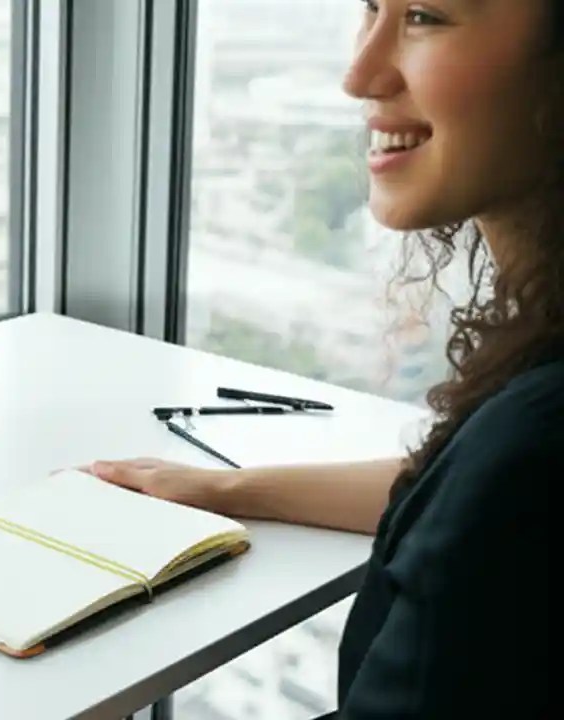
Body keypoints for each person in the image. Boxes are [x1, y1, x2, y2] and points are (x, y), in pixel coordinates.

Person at [86, 0, 560, 717]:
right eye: (370, 8)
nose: (359, 74)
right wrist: (228, 491)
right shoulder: (524, 427)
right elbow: (455, 490)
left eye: (426, 15)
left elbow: (498, 488)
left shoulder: (530, 444)